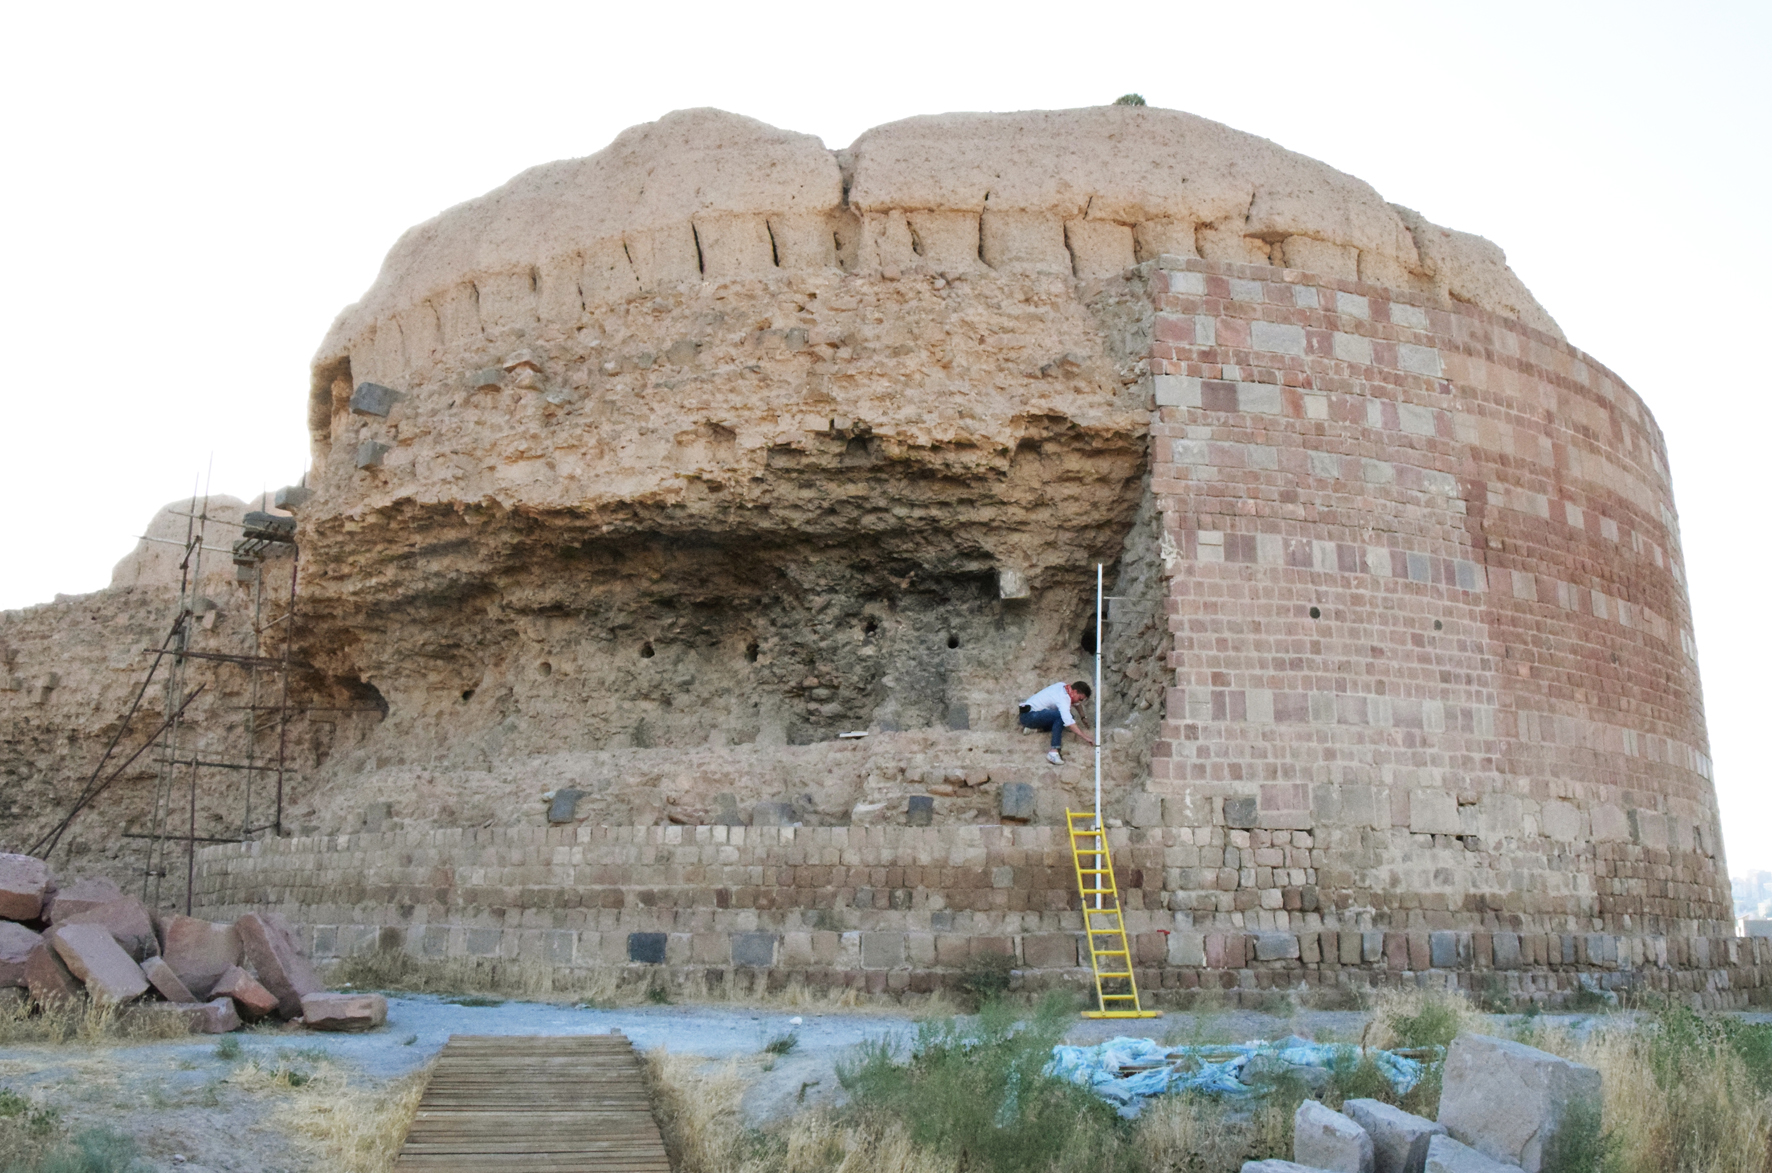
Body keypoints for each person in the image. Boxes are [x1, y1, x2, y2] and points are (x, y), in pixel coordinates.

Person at [1018, 680, 1096, 765]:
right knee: (1061, 717)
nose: (1079, 702)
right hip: (1029, 716)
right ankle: (1053, 752)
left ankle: (1034, 729)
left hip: (1029, 714)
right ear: (1074, 691)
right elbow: (1069, 722)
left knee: (1068, 716)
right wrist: (1085, 737)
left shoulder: (1062, 686)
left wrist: (1083, 716)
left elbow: (1076, 703)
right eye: (1080, 699)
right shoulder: (1063, 699)